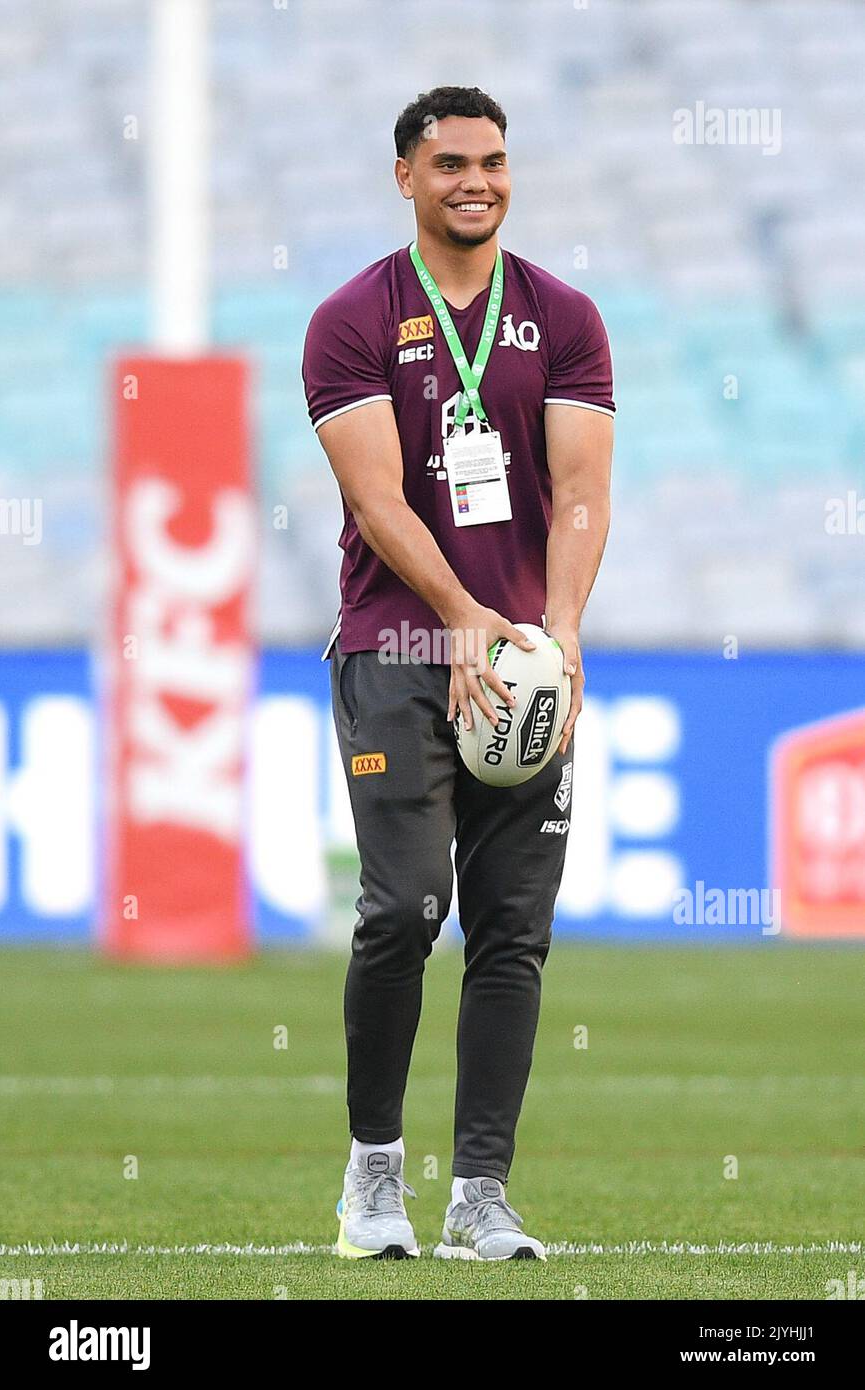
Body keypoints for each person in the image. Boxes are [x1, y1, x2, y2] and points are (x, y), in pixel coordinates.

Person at [302, 85, 615, 1261]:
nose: (473, 180)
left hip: (525, 662)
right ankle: (371, 1176)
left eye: (490, 161)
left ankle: (479, 1194)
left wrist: (560, 628)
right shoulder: (351, 316)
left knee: (510, 931)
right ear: (404, 177)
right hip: (400, 648)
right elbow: (375, 497)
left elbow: (580, 490)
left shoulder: (565, 315)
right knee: (401, 911)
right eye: (448, 164)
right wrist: (461, 619)